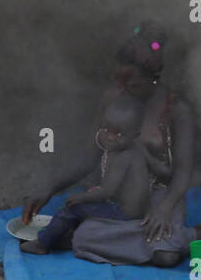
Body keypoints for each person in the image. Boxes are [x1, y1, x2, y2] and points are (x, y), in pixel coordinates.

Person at [21, 21, 201, 265]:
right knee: (87, 236)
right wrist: (49, 188)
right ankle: (182, 237)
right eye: (118, 81)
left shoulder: (175, 110)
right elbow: (90, 155)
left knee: (164, 257)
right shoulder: (113, 100)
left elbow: (182, 173)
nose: (122, 89)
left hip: (160, 195)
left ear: (153, 78)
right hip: (118, 200)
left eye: (131, 83)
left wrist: (165, 208)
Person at [21, 95, 150, 254]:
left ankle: (43, 243)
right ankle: (63, 238)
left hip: (124, 214)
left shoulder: (126, 156)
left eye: (119, 134)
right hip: (124, 208)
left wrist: (82, 197)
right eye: (106, 130)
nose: (110, 137)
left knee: (71, 209)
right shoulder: (120, 149)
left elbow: (107, 191)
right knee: (84, 207)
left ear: (135, 136)